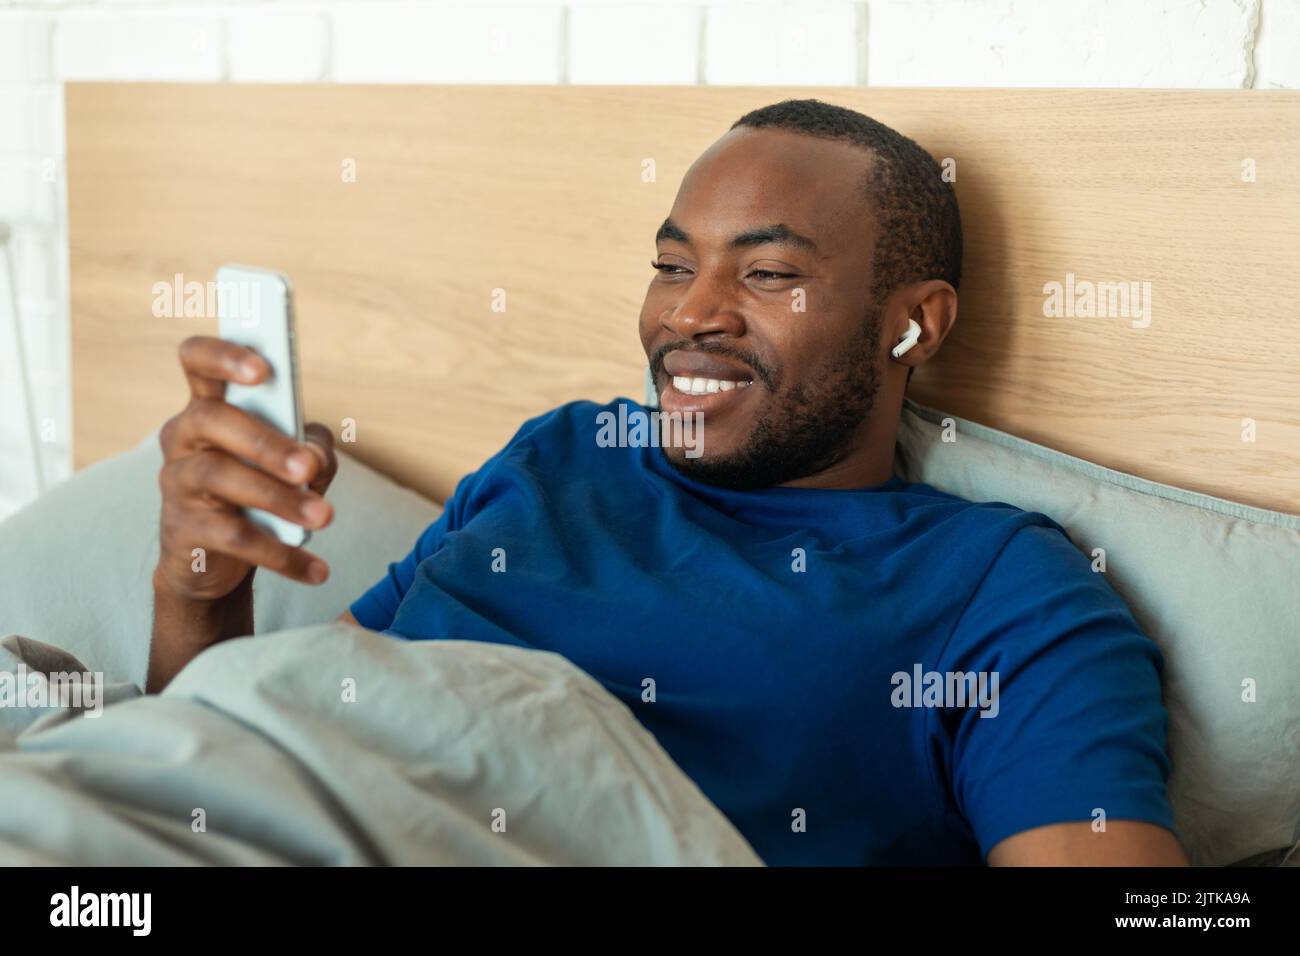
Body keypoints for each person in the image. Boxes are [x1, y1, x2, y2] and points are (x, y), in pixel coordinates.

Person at [148, 99, 1187, 867]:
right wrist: (201, 592)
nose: (690, 315)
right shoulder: (554, 458)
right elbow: (244, 759)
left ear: (912, 323)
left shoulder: (997, 589)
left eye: (768, 273)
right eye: (672, 264)